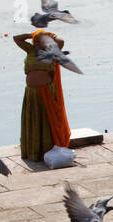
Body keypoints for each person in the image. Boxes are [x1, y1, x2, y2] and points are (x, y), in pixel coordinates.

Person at [14, 29, 71, 163]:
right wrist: (31, 35)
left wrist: (50, 35)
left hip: (46, 93)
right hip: (31, 93)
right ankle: (34, 152)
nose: (38, 44)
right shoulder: (30, 50)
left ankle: (47, 150)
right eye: (36, 42)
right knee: (33, 120)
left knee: (46, 121)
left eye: (42, 42)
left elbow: (61, 41)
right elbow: (16, 38)